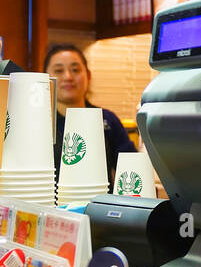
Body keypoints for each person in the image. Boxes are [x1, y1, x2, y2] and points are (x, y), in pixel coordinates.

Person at [44, 44, 135, 188]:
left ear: (89, 75)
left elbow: (132, 168)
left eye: (75, 70)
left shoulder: (107, 120)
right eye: (59, 71)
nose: (68, 77)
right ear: (46, 78)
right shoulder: (39, 122)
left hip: (100, 208)